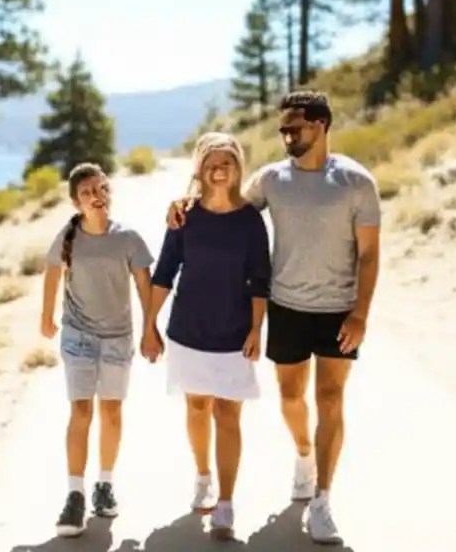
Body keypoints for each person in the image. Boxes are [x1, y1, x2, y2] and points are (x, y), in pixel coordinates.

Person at [165, 90, 381, 546]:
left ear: (320, 125)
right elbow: (223, 204)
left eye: (294, 128)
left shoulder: (356, 182)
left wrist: (360, 313)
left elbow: (369, 254)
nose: (286, 136)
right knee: (290, 398)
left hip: (338, 308)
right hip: (285, 305)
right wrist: (183, 203)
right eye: (282, 129)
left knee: (330, 397)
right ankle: (304, 453)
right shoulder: (271, 180)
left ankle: (322, 498)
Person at [145, 132, 270, 541]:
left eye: (227, 163)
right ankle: (203, 477)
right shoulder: (185, 216)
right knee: (197, 407)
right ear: (200, 169)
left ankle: (227, 504)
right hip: (187, 331)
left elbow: (259, 279)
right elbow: (164, 273)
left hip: (234, 333)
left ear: (237, 168)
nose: (219, 171)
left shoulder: (250, 219)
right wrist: (149, 324)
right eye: (211, 163)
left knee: (228, 415)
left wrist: (256, 328)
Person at [41, 161, 155, 538]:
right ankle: (74, 493)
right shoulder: (68, 236)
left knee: (111, 411)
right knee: (81, 411)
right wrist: (47, 315)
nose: (97, 196)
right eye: (87, 193)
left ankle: (104, 484)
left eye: (101, 188)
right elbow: (53, 271)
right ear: (77, 203)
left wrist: (151, 329)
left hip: (118, 337)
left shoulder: (129, 239)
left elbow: (144, 286)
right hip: (78, 336)